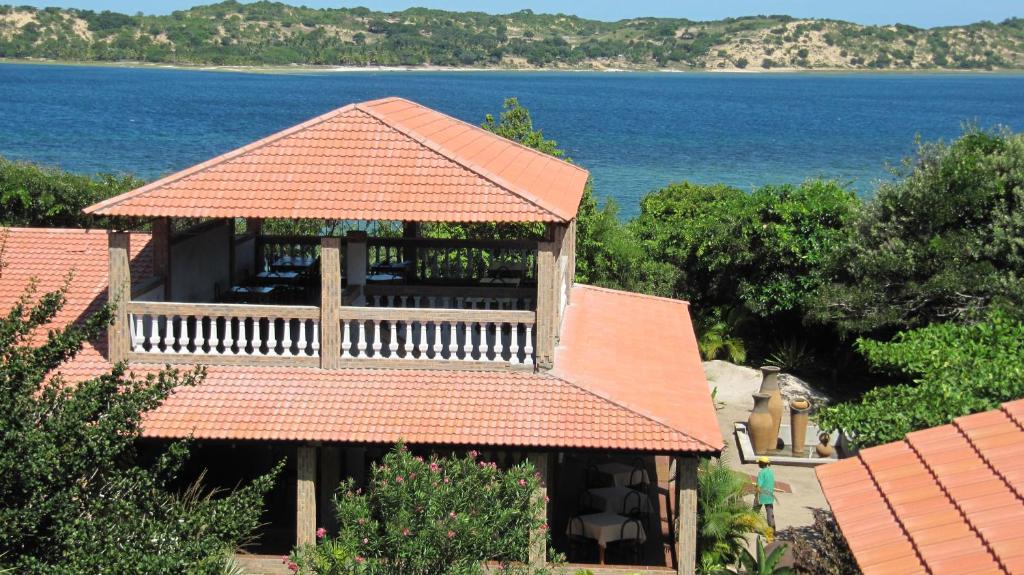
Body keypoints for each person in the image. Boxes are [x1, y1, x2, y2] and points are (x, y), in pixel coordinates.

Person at [753, 456, 776, 530]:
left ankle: (752, 526)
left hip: (761, 495)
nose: (758, 464)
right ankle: (772, 528)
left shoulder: (761, 473)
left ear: (761, 464)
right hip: (769, 494)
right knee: (770, 512)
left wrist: (756, 492)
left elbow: (759, 485)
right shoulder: (770, 472)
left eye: (759, 463)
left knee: (755, 510)